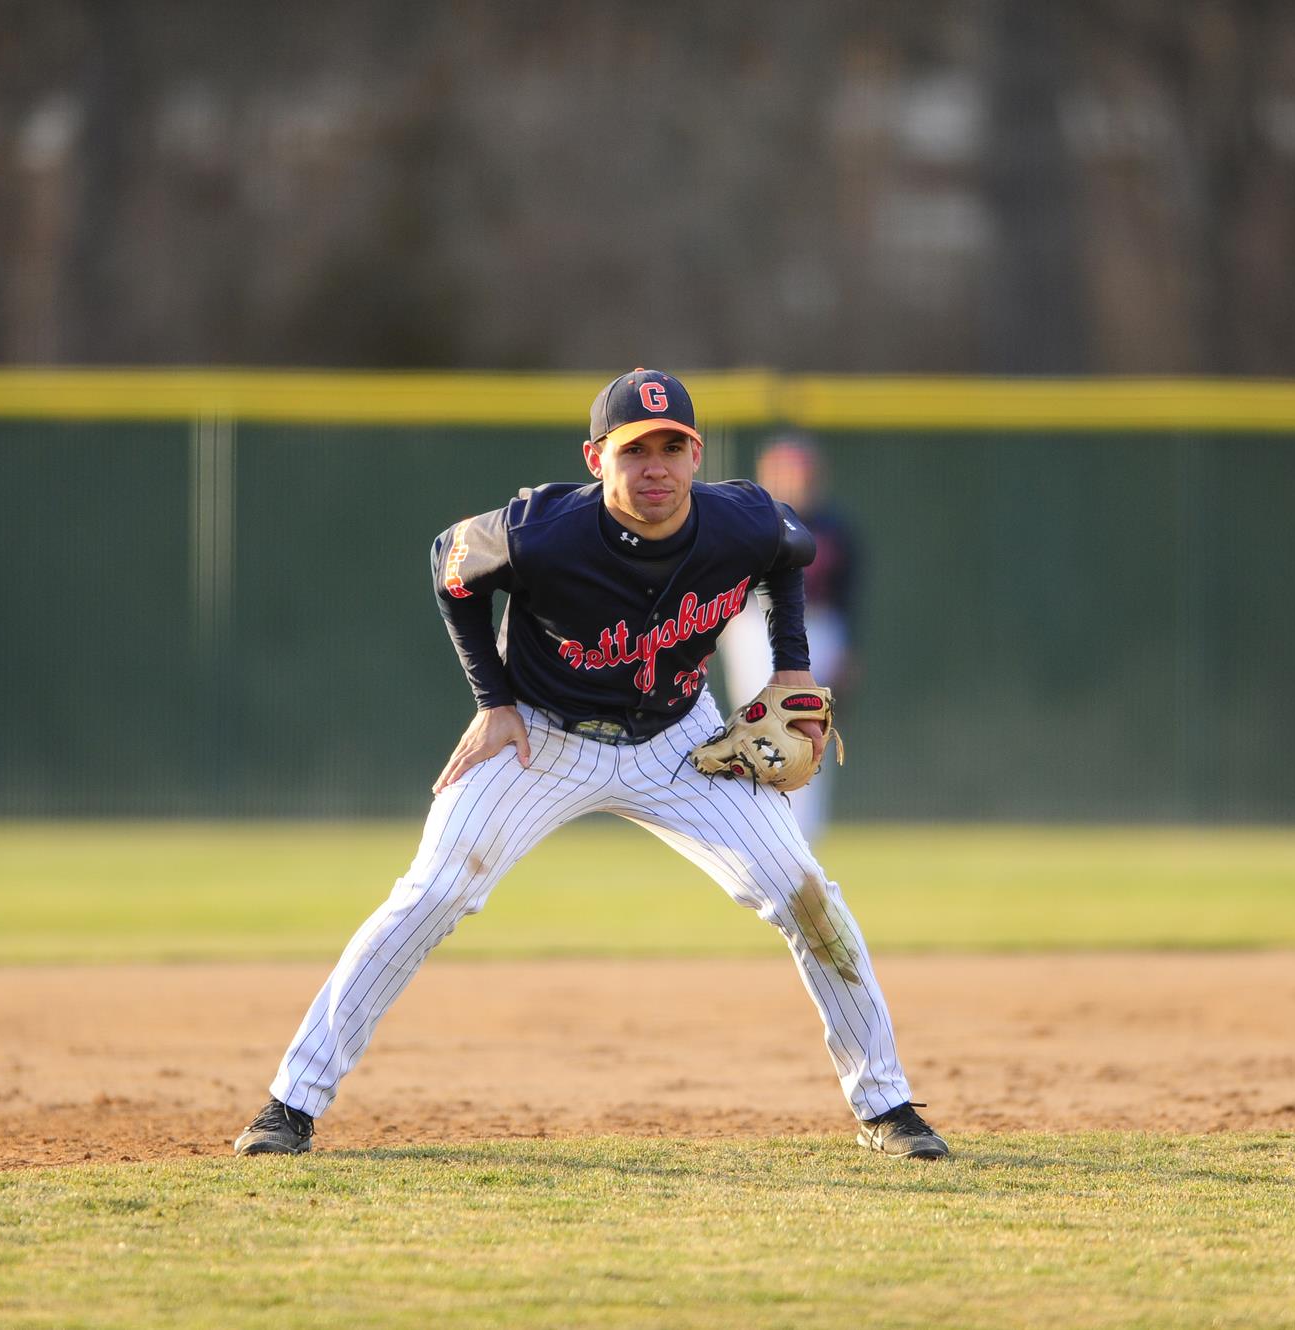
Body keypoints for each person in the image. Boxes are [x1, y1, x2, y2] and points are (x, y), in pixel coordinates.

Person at [233, 369, 946, 1161]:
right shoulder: (545, 530)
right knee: (434, 890)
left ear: (696, 454)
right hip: (542, 737)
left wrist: (791, 667)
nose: (657, 468)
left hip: (679, 742)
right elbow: (450, 565)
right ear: (597, 455)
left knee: (807, 895)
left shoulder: (739, 519)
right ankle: (289, 1105)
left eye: (673, 447)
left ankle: (886, 1108)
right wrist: (492, 699)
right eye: (636, 449)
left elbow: (792, 553)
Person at [718, 436, 862, 843]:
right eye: (782, 470)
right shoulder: (747, 521)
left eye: (799, 471)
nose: (792, 479)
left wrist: (849, 648)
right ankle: (759, 825)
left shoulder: (835, 529)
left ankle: (800, 833)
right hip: (752, 626)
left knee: (809, 729)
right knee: (761, 726)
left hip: (819, 628)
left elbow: (848, 596)